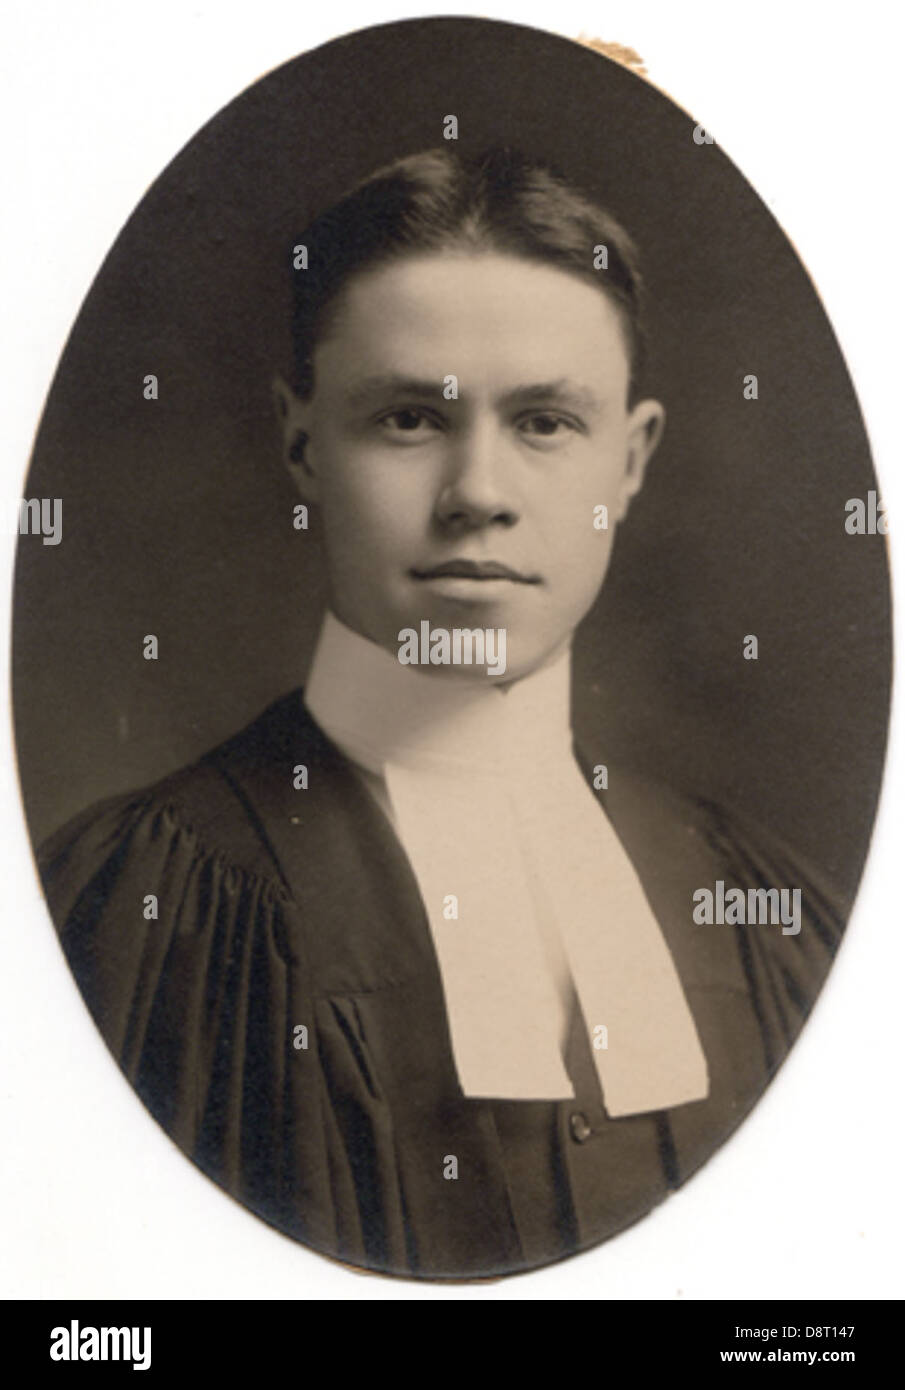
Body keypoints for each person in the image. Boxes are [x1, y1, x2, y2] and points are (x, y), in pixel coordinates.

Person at [37, 145, 845, 1280]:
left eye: (545, 423)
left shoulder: (769, 916)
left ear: (629, 460)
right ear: (302, 443)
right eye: (410, 417)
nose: (478, 494)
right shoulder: (140, 912)